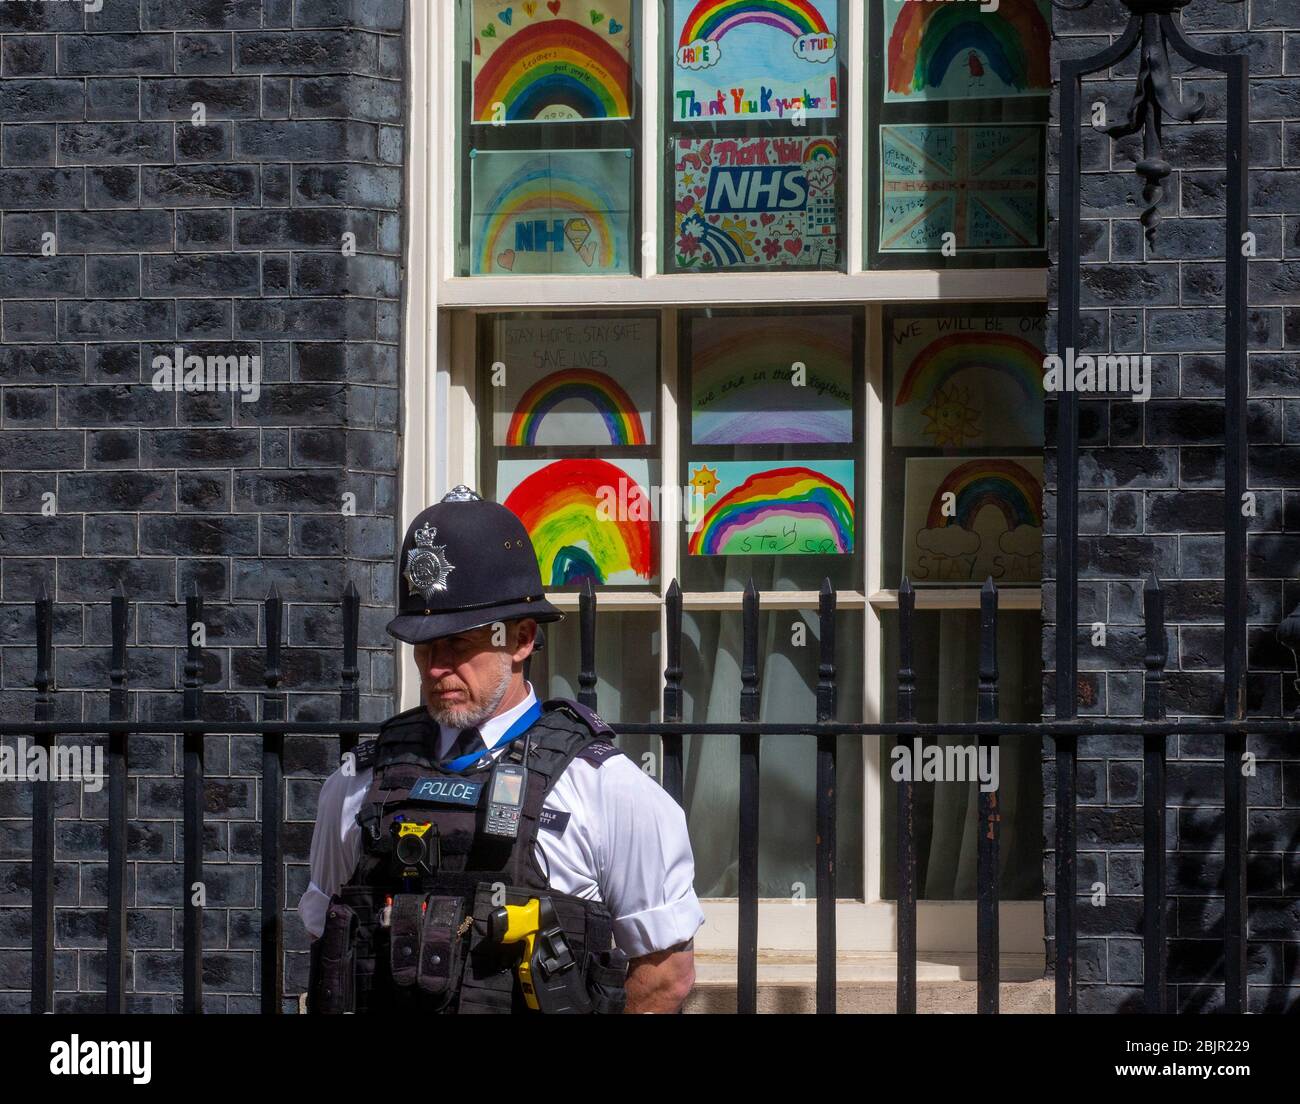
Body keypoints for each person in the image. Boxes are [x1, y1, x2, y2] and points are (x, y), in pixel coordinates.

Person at [299, 486, 704, 1013]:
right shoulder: (358, 784)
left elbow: (666, 975)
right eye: (424, 648)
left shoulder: (606, 789)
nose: (437, 667)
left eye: (458, 644)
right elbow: (327, 939)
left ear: (522, 638)